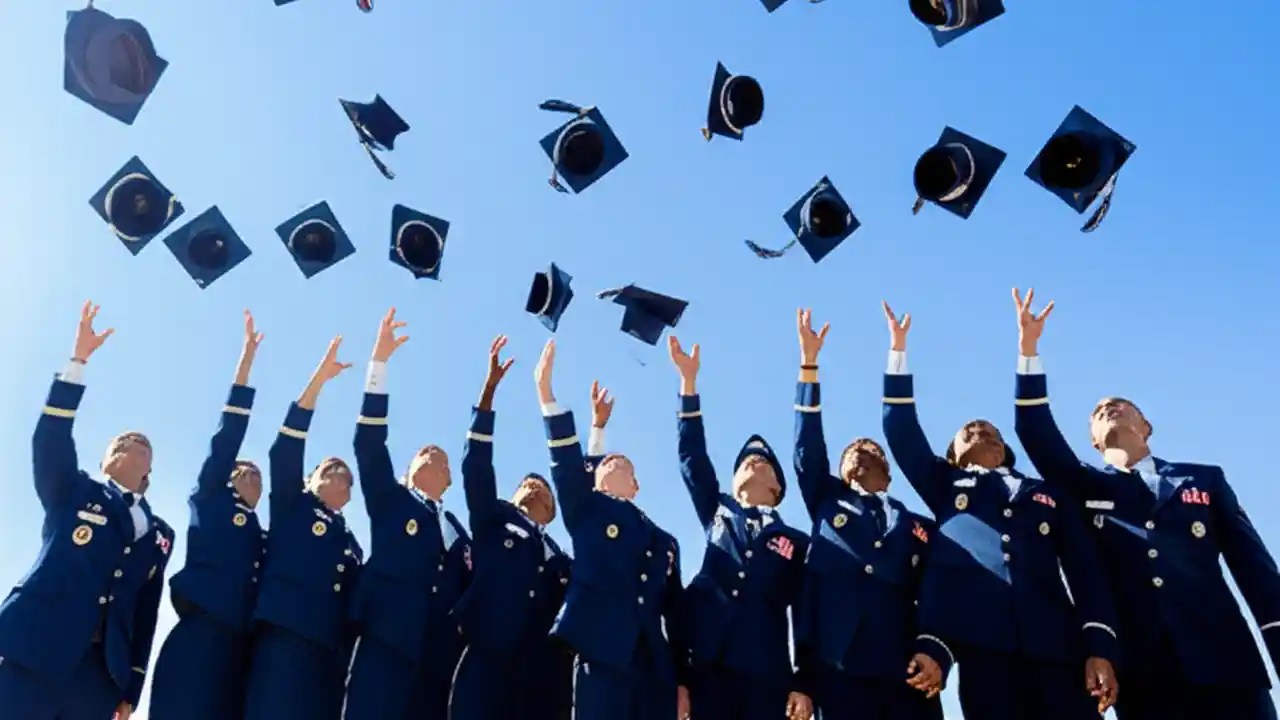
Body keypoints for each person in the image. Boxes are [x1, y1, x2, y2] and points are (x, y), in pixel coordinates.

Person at [1011, 287, 1280, 720]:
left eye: (1119, 404)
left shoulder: (1204, 478)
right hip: (1145, 676)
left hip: (1228, 666)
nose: (1108, 407)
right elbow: (1034, 430)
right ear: (1094, 441)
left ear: (1146, 426)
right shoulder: (1084, 485)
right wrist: (1029, 349)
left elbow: (1258, 572)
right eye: (1097, 412)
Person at [879, 300, 1120, 720]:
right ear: (952, 455)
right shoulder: (945, 485)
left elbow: (1084, 571)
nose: (979, 429)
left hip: (1059, 651)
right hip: (985, 655)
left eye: (989, 429)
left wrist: (1099, 646)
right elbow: (901, 431)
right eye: (968, 431)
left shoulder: (1046, 493)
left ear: (1005, 449)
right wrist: (898, 350)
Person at [0, 301, 175, 720]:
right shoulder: (74, 490)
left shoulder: (160, 532)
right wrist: (77, 363)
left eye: (141, 443)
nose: (130, 441)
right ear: (104, 461)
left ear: (150, 470)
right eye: (119, 442)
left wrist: (131, 686)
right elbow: (50, 443)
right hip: (34, 649)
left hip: (98, 679)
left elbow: (146, 610)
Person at [790, 309, 949, 720]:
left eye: (871, 449)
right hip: (838, 669)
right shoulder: (827, 503)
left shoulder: (920, 527)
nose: (860, 451)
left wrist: (937, 653)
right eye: (851, 452)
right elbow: (807, 449)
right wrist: (809, 364)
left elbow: (940, 595)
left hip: (908, 670)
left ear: (889, 471)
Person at [450, 334, 607, 720]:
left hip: (543, 673)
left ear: (554, 510)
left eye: (545, 487)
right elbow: (476, 468)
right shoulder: (494, 518)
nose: (536, 484)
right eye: (527, 482)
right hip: (488, 656)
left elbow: (586, 503)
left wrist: (597, 431)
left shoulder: (562, 556)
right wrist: (488, 394)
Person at [533, 339, 689, 720]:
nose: (615, 462)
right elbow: (570, 469)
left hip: (653, 667)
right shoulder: (587, 511)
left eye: (626, 463)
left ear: (636, 487)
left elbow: (678, 615)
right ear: (597, 480)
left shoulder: (664, 540)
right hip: (600, 649)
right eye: (607, 462)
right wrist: (547, 395)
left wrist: (682, 681)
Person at [665, 334, 814, 720]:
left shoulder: (796, 542)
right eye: (743, 461)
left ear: (777, 487)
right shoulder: (717, 510)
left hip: (766, 675)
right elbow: (692, 458)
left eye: (760, 460)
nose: (750, 461)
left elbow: (806, 612)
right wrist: (688, 385)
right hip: (706, 667)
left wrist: (805, 681)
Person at [342, 308, 474, 720]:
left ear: (450, 479)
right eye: (422, 451)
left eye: (441, 456)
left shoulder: (458, 531)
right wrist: (378, 365)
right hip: (384, 636)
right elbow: (368, 444)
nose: (431, 452)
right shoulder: (392, 499)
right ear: (409, 468)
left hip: (437, 658)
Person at [149, 310, 267, 719]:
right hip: (201, 634)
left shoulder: (263, 536)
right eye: (248, 469)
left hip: (242, 648)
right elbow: (225, 440)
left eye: (260, 475)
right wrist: (246, 366)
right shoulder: (211, 497)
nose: (256, 476)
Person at [243, 336, 364, 720]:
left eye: (346, 473)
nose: (338, 472)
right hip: (284, 639)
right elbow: (285, 449)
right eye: (329, 468)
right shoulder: (294, 505)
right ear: (310, 479)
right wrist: (318, 382)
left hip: (329, 652)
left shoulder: (352, 542)